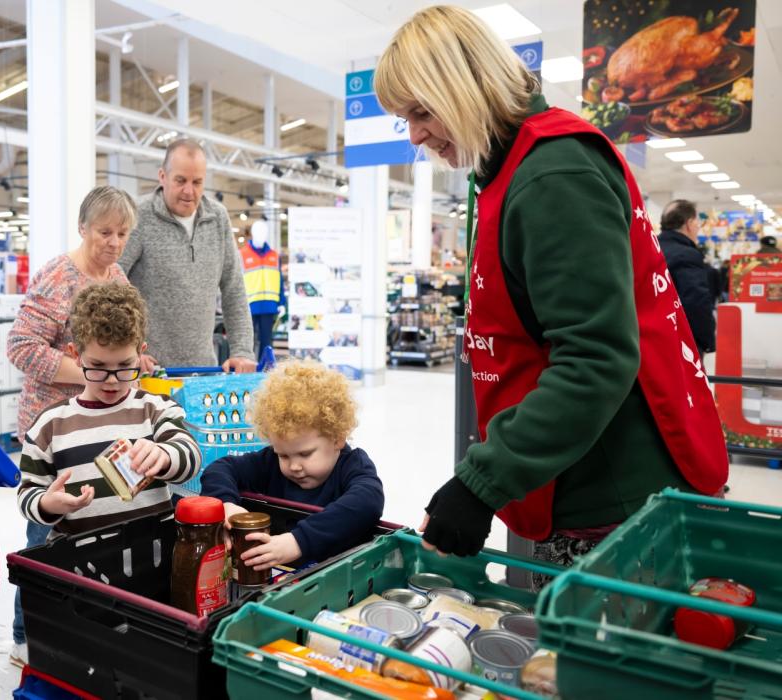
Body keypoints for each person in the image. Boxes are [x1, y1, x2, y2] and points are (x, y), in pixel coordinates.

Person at [373, 6, 727, 581]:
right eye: (403, 118)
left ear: (465, 85)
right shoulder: (507, 171)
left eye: (421, 111)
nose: (414, 135)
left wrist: (482, 482)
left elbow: (595, 358)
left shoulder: (553, 175)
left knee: (598, 642)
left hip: (614, 497)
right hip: (575, 475)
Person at [4, 185, 136, 666]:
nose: (114, 243)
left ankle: (82, 627)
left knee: (95, 527)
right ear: (83, 228)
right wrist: (90, 373)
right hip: (53, 433)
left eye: (122, 233)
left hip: (98, 426)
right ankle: (25, 637)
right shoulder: (58, 277)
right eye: (105, 232)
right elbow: (21, 346)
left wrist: (133, 362)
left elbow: (119, 341)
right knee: (45, 537)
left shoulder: (117, 277)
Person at [17, 281, 202, 536]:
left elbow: (191, 456)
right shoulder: (49, 425)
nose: (112, 380)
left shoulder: (156, 409)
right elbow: (27, 492)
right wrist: (46, 504)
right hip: (80, 555)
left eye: (125, 365)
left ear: (141, 353)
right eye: (98, 366)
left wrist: (165, 454)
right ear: (75, 355)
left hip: (152, 551)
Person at [200, 360, 384, 570]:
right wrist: (226, 504)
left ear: (337, 439)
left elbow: (368, 501)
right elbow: (220, 469)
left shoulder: (353, 466)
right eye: (284, 455)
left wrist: (299, 541)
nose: (294, 466)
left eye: (305, 454)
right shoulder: (270, 463)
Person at [119, 138, 256, 372]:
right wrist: (126, 351)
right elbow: (110, 287)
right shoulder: (138, 216)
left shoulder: (218, 218)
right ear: (162, 176)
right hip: (149, 372)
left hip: (204, 371)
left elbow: (234, 290)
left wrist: (242, 351)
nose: (189, 191)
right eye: (180, 180)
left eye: (197, 182)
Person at [658, 200, 717, 353]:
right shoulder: (687, 255)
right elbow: (696, 302)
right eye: (697, 223)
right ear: (689, 224)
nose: (698, 228)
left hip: (649, 335)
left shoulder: (650, 248)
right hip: (680, 340)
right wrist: (707, 340)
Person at [241, 220, 285, 362]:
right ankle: (246, 368)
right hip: (249, 305)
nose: (262, 235)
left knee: (266, 342)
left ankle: (264, 369)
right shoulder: (242, 254)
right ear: (252, 233)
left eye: (264, 232)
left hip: (269, 305)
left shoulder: (274, 256)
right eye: (258, 231)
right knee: (247, 341)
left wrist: (282, 302)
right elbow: (236, 282)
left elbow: (280, 280)